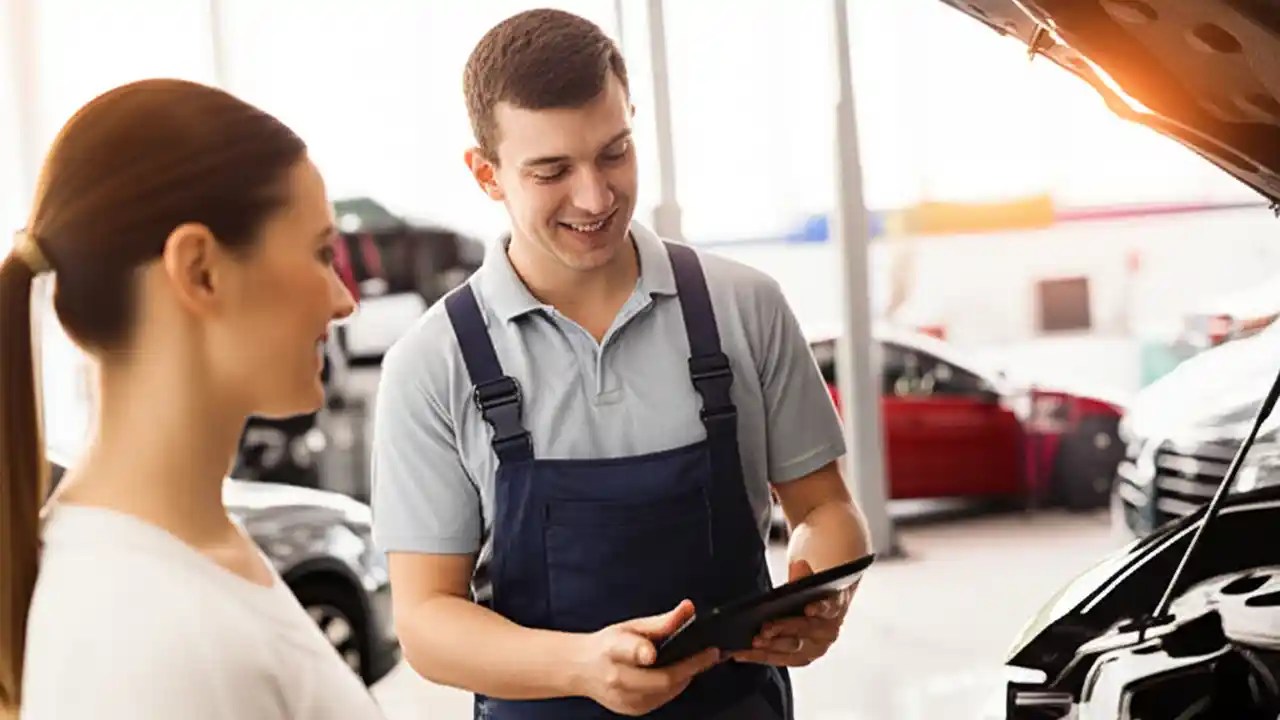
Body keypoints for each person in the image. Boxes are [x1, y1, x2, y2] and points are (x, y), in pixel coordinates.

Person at [371, 8, 871, 719]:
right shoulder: (433, 362)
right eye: (551, 171)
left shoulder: (745, 308)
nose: (595, 197)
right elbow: (425, 622)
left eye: (614, 152)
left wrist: (824, 591)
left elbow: (824, 507)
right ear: (486, 174)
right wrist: (581, 666)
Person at [0, 79, 385, 719]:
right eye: (321, 253)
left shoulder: (175, 557)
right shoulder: (151, 635)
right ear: (201, 271)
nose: (343, 300)